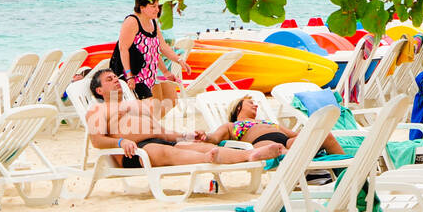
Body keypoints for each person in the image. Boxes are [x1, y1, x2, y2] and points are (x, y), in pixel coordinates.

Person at [86, 68, 283, 167]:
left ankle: (250, 156)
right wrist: (121, 141)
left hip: (158, 141)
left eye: (116, 77)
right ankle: (206, 159)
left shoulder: (136, 105)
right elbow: (96, 140)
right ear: (99, 90)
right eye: (109, 79)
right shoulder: (97, 110)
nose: (116, 81)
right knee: (165, 152)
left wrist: (187, 135)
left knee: (202, 146)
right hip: (133, 152)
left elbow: (162, 132)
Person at [110, 0, 185, 108]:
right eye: (153, 6)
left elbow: (161, 47)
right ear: (142, 7)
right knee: (150, 109)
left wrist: (177, 61)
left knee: (170, 101)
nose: (157, 10)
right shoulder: (132, 21)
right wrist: (129, 76)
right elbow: (123, 49)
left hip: (150, 74)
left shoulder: (153, 22)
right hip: (136, 74)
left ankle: (149, 121)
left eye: (158, 6)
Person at [206, 96, 344, 155]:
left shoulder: (267, 122)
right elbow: (215, 138)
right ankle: (295, 175)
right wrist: (204, 137)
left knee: (325, 136)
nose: (255, 105)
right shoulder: (232, 125)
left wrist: (314, 131)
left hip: (288, 142)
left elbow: (295, 135)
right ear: (238, 107)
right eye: (250, 103)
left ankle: (344, 174)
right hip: (262, 143)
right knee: (278, 149)